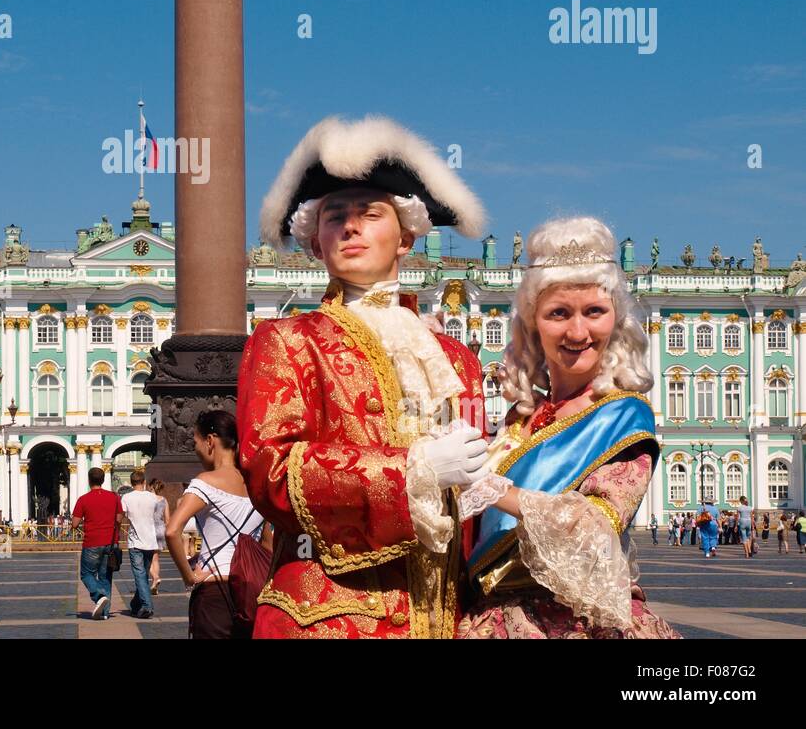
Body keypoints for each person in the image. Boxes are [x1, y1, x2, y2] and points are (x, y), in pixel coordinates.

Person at [239, 114, 490, 638]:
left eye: (370, 213)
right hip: (331, 618)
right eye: (335, 216)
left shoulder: (456, 360)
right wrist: (415, 469)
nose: (350, 226)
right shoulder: (287, 340)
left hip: (443, 617)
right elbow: (271, 472)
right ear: (315, 243)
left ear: (406, 237)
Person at [457, 217, 680, 638]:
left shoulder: (624, 416)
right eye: (558, 313)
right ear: (533, 323)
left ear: (615, 319)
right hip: (495, 618)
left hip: (580, 622)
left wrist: (495, 489)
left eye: (594, 311)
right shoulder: (521, 418)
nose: (578, 332)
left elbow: (593, 529)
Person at [165, 411, 267, 639]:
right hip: (252, 591)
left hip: (215, 593)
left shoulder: (205, 483)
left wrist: (189, 578)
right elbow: (267, 543)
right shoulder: (256, 485)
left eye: (196, 442)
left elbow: (172, 531)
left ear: (210, 441)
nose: (195, 449)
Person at [71, 467, 123, 620]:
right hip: (111, 542)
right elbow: (119, 519)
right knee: (105, 577)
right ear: (103, 480)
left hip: (92, 542)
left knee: (86, 574)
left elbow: (74, 523)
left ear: (89, 480)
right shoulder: (114, 497)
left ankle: (98, 596)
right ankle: (105, 613)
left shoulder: (83, 499)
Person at [120, 468, 161, 619]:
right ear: (144, 482)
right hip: (151, 541)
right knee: (142, 575)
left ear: (131, 483)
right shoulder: (153, 497)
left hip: (135, 541)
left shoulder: (126, 498)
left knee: (140, 575)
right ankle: (135, 605)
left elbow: (122, 516)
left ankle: (146, 606)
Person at [148, 478, 167, 594]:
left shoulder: (147, 499)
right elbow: (168, 519)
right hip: (160, 529)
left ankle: (155, 577)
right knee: (156, 558)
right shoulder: (164, 500)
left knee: (148, 559)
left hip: (149, 529)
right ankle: (155, 585)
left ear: (150, 486)